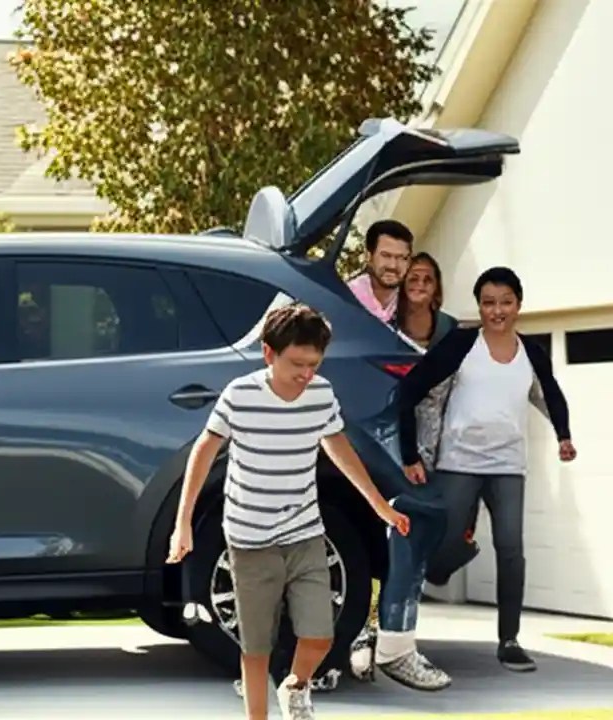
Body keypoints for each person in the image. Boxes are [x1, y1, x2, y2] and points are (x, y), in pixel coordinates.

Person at [166, 303, 410, 720]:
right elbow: (204, 451)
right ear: (269, 353)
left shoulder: (320, 394)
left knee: (320, 635)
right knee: (256, 647)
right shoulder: (241, 395)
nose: (306, 374)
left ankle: (295, 687)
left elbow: (338, 446)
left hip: (304, 531)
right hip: (249, 538)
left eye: (314, 364)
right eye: (297, 364)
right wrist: (182, 524)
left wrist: (378, 504)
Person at [396, 266, 575, 674]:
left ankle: (509, 640)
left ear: (518, 305)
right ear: (479, 306)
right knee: (441, 547)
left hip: (508, 466)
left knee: (512, 550)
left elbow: (552, 393)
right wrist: (409, 454)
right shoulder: (462, 344)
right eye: (489, 303)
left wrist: (564, 435)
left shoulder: (531, 352)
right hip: (458, 463)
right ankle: (425, 595)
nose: (497, 311)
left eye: (505, 302)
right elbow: (411, 389)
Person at [347, 220, 414, 323]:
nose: (393, 265)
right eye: (386, 255)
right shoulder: (348, 298)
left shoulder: (412, 306)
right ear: (369, 257)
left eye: (401, 258)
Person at [394, 252, 458, 349]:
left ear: (436, 287)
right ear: (403, 284)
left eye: (428, 280)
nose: (421, 284)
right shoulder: (388, 326)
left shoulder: (449, 328)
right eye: (414, 279)